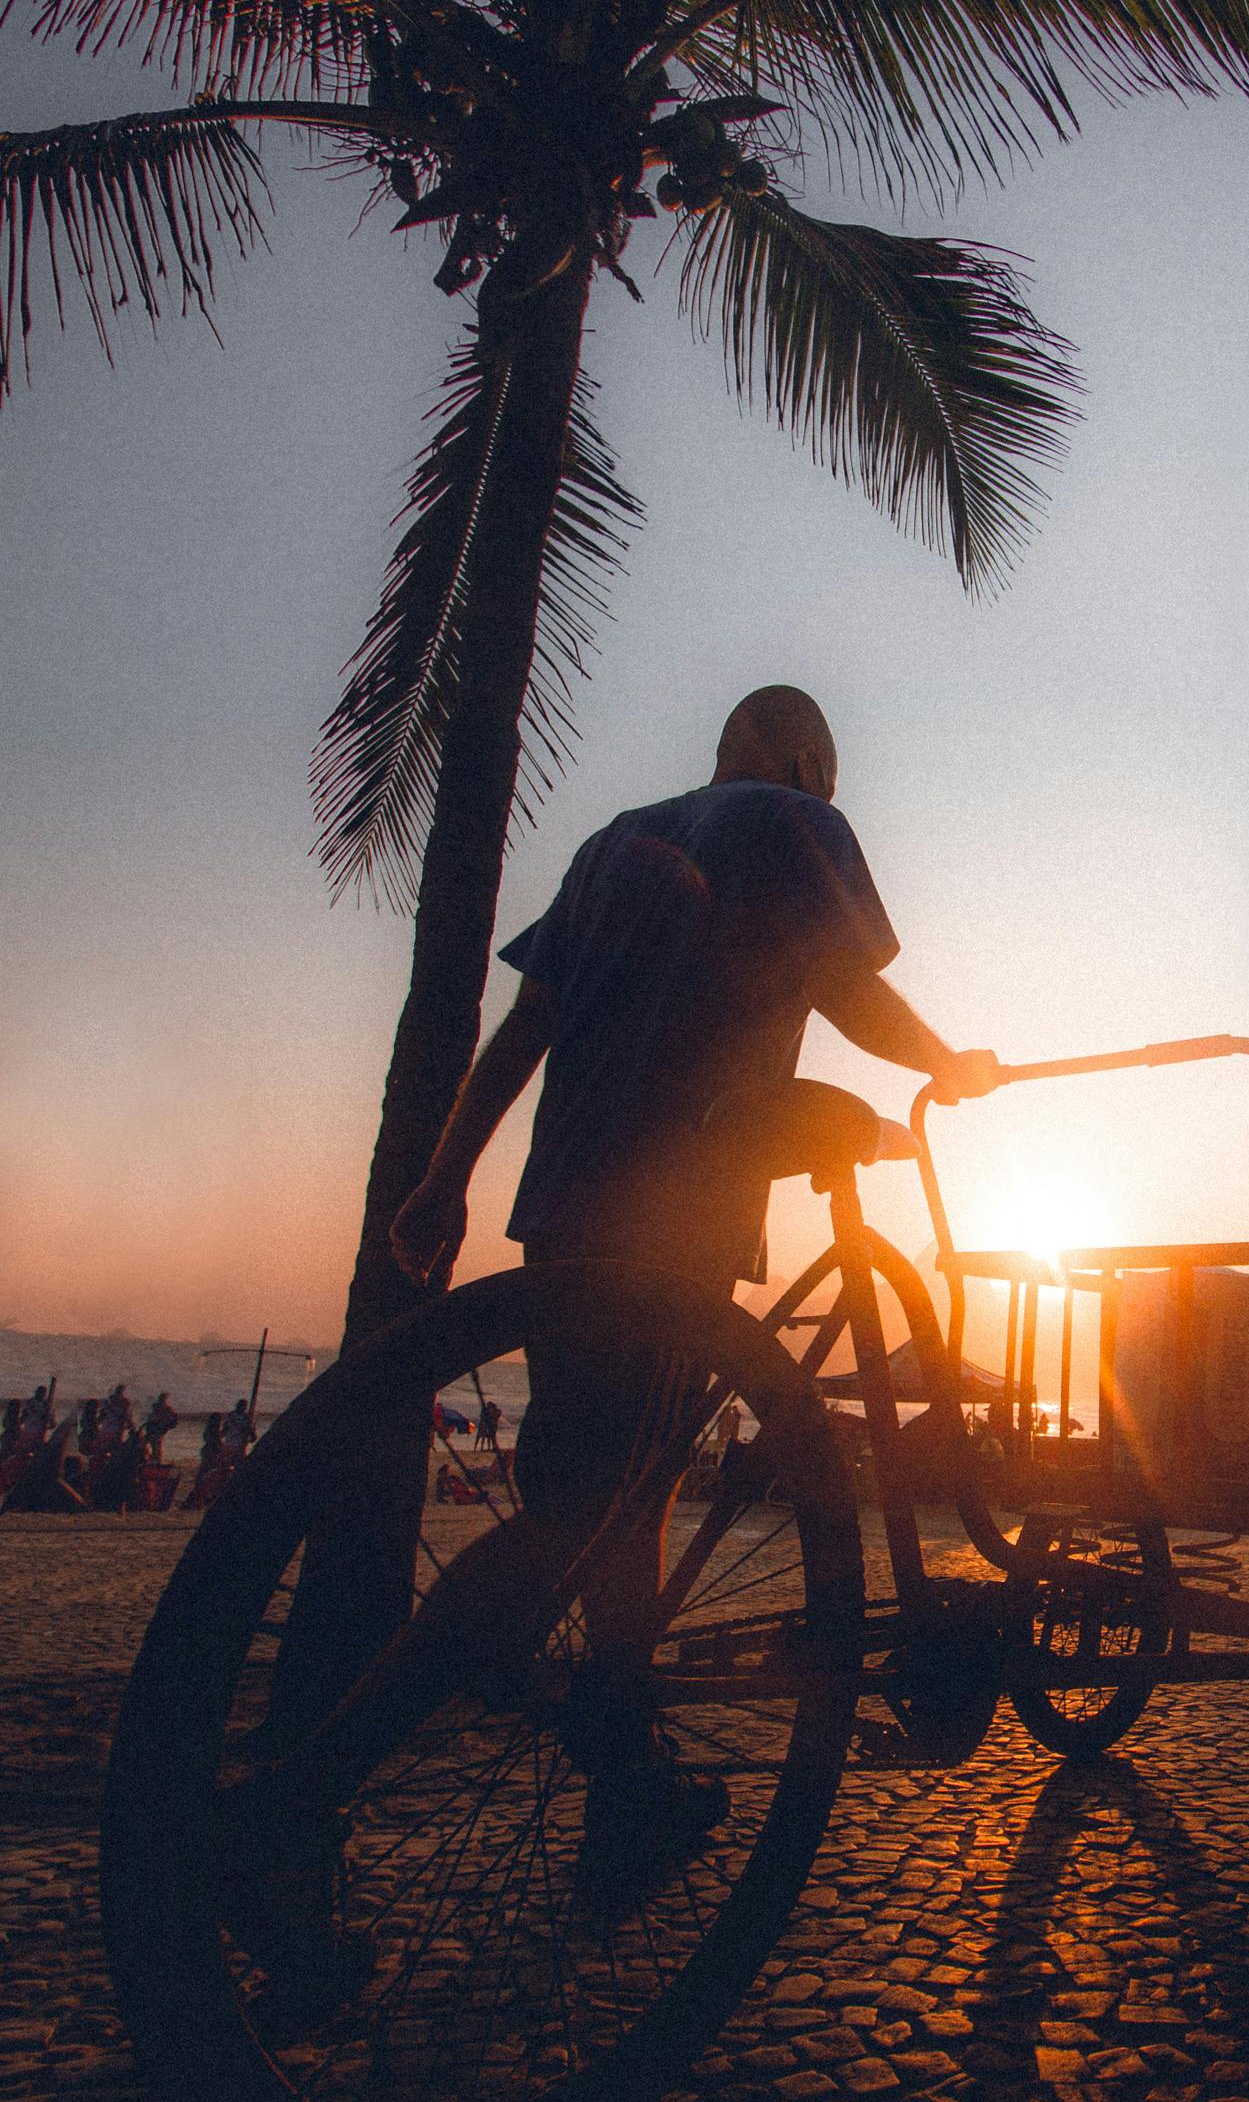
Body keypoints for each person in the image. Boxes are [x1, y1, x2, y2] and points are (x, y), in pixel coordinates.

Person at [232, 686, 999, 1986]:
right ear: (808, 761)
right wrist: (947, 1063)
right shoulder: (795, 820)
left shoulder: (608, 846)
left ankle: (622, 1792)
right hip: (680, 1219)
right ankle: (296, 1804)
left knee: (618, 1501)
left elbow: (521, 1033)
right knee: (576, 1524)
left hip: (567, 1215)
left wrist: (441, 1179)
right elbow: (843, 988)